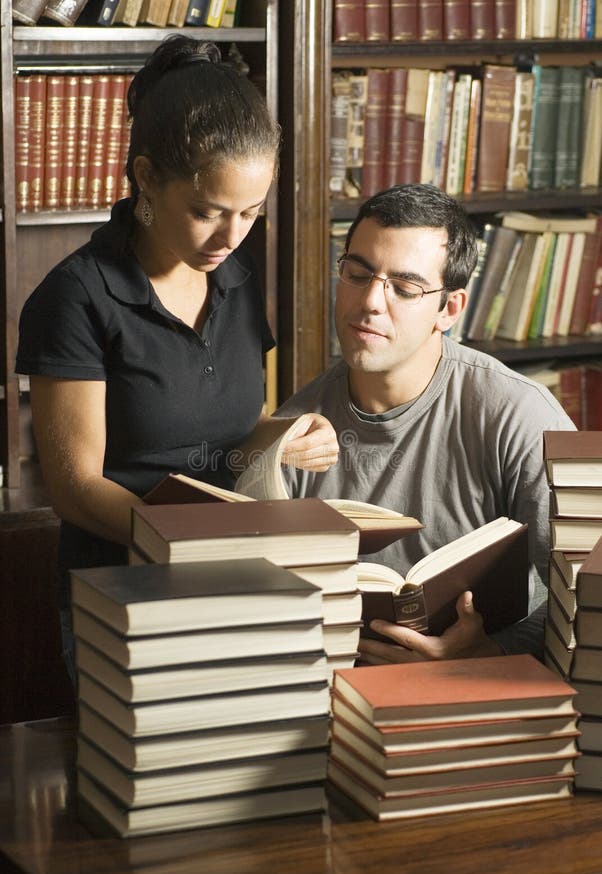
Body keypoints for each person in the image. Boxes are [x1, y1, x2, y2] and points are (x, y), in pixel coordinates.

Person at [15, 36, 338, 678]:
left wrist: (282, 439)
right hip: (121, 593)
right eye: (206, 212)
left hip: (237, 581)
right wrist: (194, 542)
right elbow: (76, 489)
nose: (230, 236)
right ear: (145, 179)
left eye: (250, 213)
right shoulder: (78, 297)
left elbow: (225, 442)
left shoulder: (237, 279)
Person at [276, 182, 576, 662]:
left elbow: (586, 600)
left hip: (485, 694)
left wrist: (487, 653)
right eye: (358, 273)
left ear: (449, 309)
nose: (371, 302)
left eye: (405, 288)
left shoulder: (521, 414)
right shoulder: (294, 429)